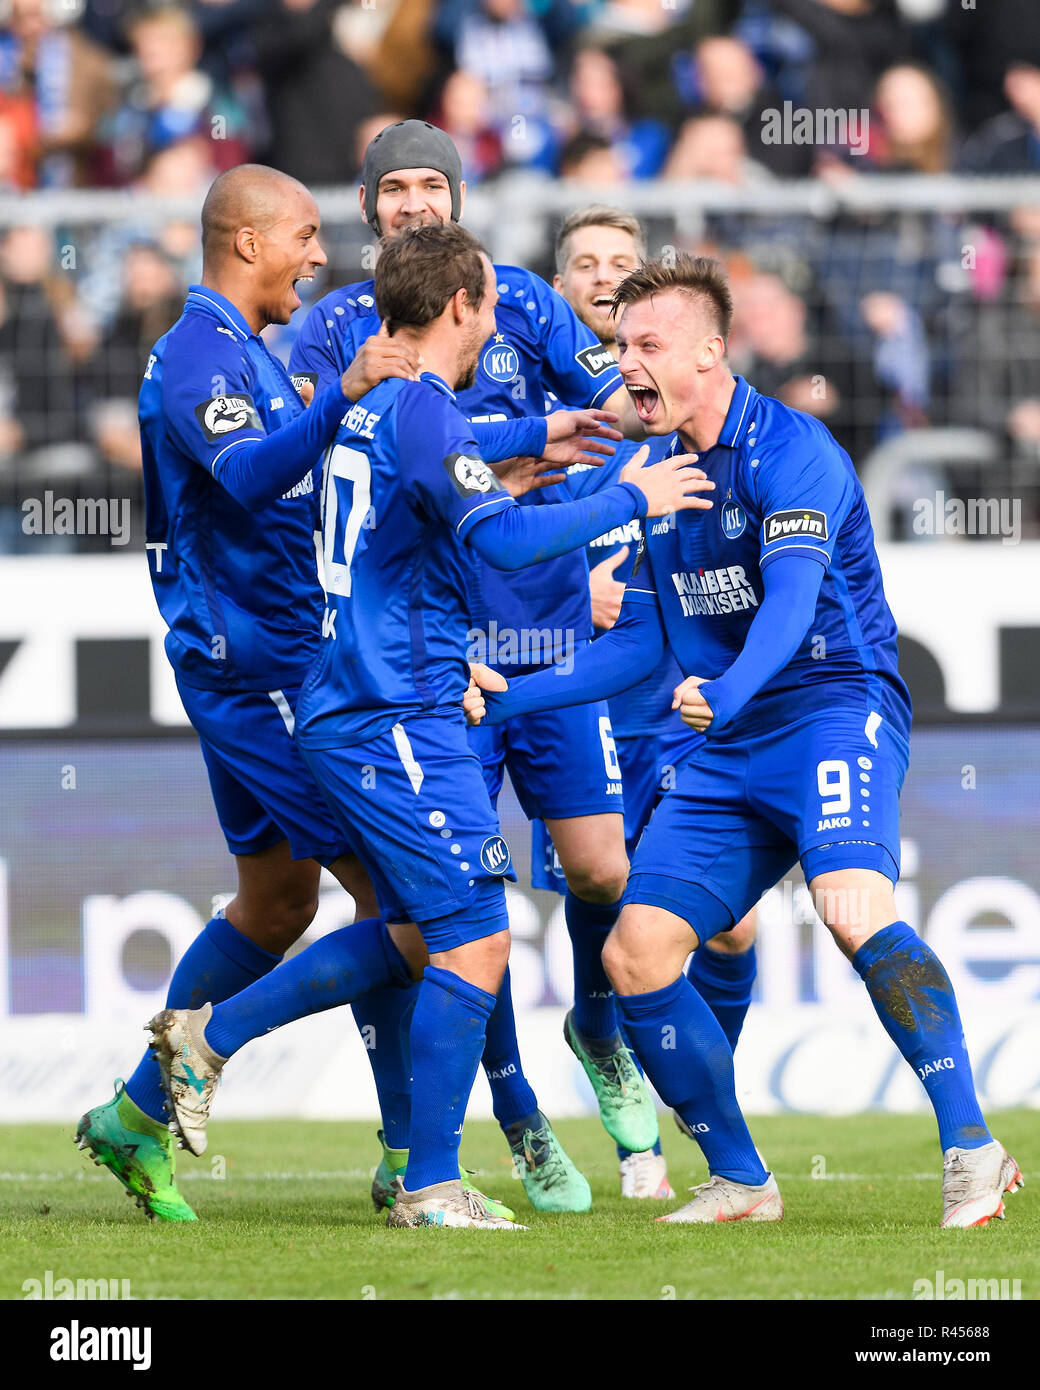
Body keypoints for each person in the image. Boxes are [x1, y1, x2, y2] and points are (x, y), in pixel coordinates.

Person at [145, 222, 716, 1229]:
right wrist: (623, 494)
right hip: (392, 709)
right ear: (463, 306)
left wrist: (535, 442)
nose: (499, 319)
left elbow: (445, 471)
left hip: (372, 695)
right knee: (476, 942)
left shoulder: (387, 405)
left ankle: (206, 1038)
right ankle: (428, 1183)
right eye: (491, 301)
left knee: (415, 933)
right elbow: (493, 530)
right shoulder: (419, 410)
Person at [470, 252, 1023, 1228]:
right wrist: (502, 697)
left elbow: (793, 598)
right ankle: (738, 1177)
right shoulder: (647, 474)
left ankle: (972, 1150)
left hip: (828, 708)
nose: (622, 362)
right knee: (636, 954)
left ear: (709, 351)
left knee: (851, 906)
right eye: (616, 344)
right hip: (728, 737)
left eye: (646, 344)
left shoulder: (789, 448)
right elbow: (640, 641)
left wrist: (724, 690)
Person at [289, 119, 654, 1214]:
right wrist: (530, 452)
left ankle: (593, 1026)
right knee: (449, 910)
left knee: (594, 870)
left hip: (541, 627)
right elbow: (341, 460)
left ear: (457, 195)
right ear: (367, 208)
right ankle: (508, 1125)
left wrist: (596, 529)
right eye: (392, 187)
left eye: (429, 183)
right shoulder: (333, 332)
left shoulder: (516, 298)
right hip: (433, 659)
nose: (412, 202)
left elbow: (619, 410)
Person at [75, 163, 427, 1222]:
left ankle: (134, 1122)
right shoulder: (195, 354)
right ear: (248, 242)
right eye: (307, 236)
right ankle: (413, 1154)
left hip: (270, 663)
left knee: (277, 903)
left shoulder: (248, 354)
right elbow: (245, 476)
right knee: (400, 899)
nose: (319, 257)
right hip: (254, 671)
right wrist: (341, 400)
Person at [540, 205, 762, 1199]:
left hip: (681, 716)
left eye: (618, 265)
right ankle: (604, 1046)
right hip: (593, 715)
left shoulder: (709, 434)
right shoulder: (553, 431)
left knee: (728, 927)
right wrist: (561, 591)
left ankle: (700, 1094)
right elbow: (488, 547)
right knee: (606, 890)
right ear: (562, 289)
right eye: (582, 264)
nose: (599, 276)